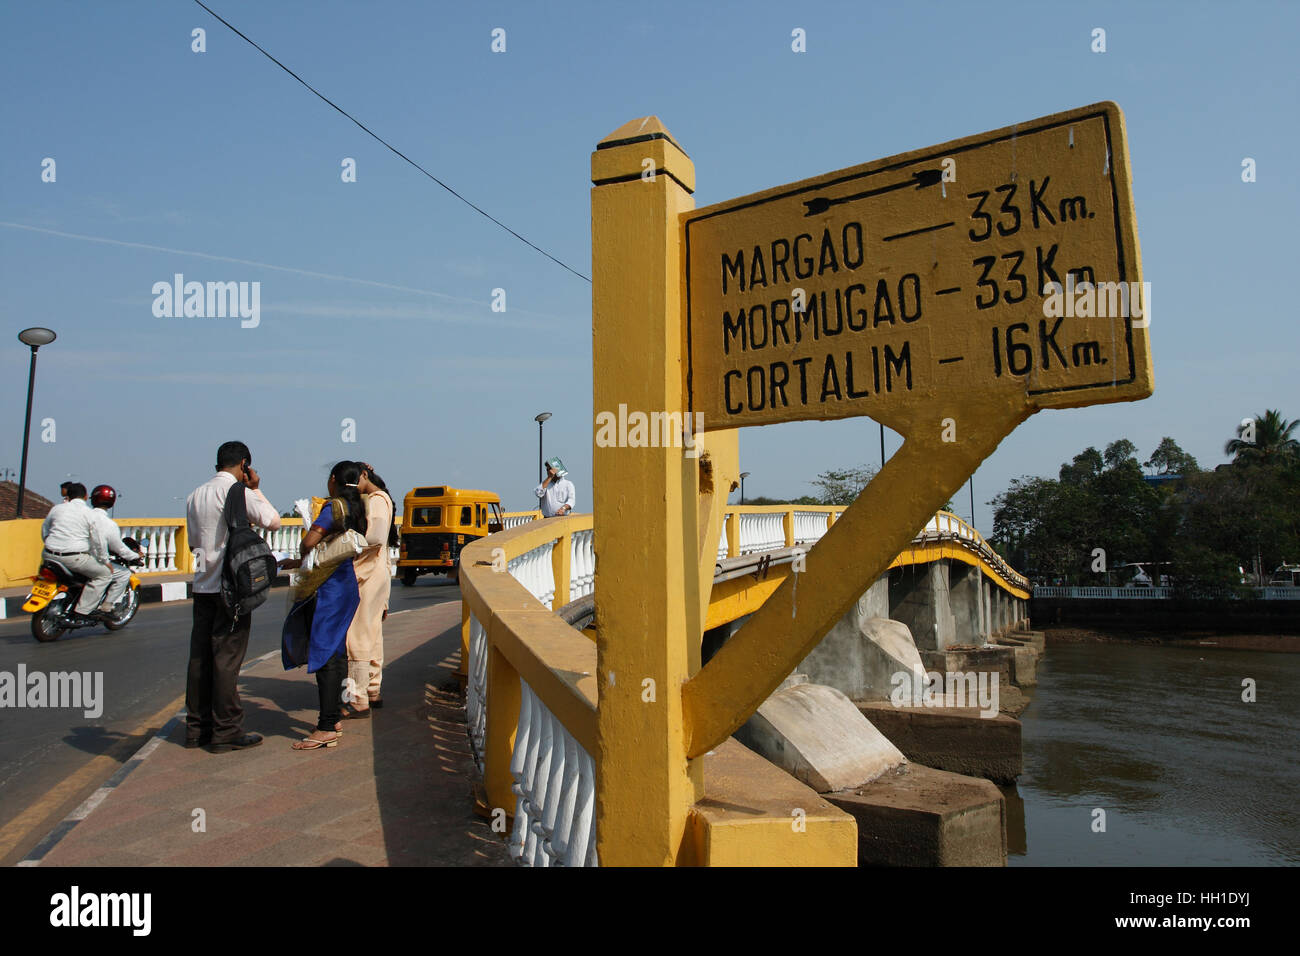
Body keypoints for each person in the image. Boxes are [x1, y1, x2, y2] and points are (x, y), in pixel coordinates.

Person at [185, 441, 280, 752]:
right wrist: (256, 489)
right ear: (244, 465)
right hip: (230, 590)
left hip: (202, 587)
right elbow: (273, 520)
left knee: (200, 659)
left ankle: (197, 728)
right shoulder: (238, 492)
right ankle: (227, 730)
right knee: (226, 660)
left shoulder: (194, 495)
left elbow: (192, 544)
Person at [278, 461, 367, 751]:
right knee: (337, 653)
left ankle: (326, 726)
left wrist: (305, 550)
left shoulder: (334, 507)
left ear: (333, 481)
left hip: (327, 588)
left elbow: (309, 541)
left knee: (325, 655)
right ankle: (333, 717)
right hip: (345, 585)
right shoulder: (358, 508)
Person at [341, 462, 396, 716]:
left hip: (368, 573)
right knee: (371, 633)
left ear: (364, 476)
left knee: (358, 636)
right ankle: (373, 689)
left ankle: (357, 698)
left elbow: (374, 537)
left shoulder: (376, 500)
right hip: (378, 573)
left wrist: (344, 546)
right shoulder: (381, 498)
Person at [40, 482, 110, 624]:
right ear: (85, 497)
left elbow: (45, 529)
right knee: (104, 575)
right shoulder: (89, 513)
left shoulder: (56, 509)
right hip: (74, 558)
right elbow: (98, 540)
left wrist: (50, 542)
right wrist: (105, 560)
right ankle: (82, 612)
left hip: (48, 554)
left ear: (68, 495)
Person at [87, 484, 143, 614]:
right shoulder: (109, 524)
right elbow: (119, 548)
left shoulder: (84, 516)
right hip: (92, 561)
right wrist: (135, 556)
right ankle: (107, 605)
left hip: (73, 556)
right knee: (124, 573)